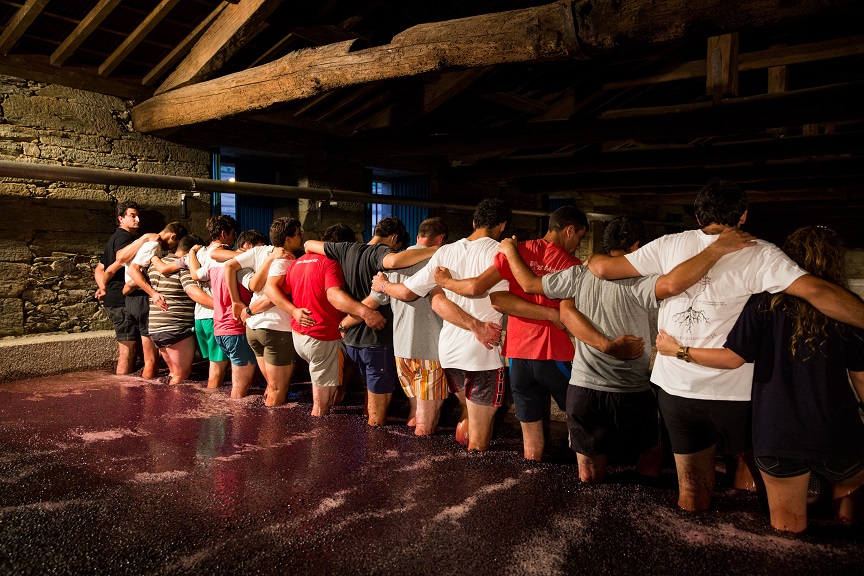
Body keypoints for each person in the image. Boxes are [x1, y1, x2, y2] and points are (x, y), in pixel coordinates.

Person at [588, 178, 864, 511]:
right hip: (736, 394)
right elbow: (817, 292)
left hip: (677, 390)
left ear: (697, 214)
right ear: (743, 216)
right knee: (764, 485)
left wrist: (586, 263)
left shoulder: (668, 245)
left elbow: (603, 268)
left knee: (691, 492)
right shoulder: (761, 253)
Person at [500, 215, 756, 482]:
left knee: (589, 476)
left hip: (584, 389)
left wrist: (510, 250)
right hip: (631, 390)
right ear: (636, 247)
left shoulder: (578, 274)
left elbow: (529, 284)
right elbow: (677, 295)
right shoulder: (646, 282)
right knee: (652, 459)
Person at [655, 226, 864, 532]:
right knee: (849, 523)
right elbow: (861, 380)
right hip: (837, 430)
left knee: (786, 533)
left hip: (777, 434)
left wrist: (679, 350)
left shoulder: (763, 304)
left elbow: (732, 357)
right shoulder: (846, 308)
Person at [431, 206, 587, 459]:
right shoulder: (571, 265)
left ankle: (532, 469)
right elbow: (571, 313)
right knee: (581, 414)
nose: (578, 244)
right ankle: (587, 473)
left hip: (517, 354)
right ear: (569, 230)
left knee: (530, 424)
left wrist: (446, 283)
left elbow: (493, 296)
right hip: (553, 352)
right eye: (579, 237)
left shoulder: (516, 251)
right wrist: (552, 315)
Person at [373, 199, 512, 451]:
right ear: (502, 226)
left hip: (449, 352)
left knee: (468, 415)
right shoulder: (501, 253)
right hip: (484, 351)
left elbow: (412, 294)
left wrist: (382, 286)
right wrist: (477, 326)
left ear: (473, 222)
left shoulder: (445, 252)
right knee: (480, 438)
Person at [304, 217, 437, 426]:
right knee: (376, 414)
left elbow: (308, 244)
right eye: (398, 246)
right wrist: (438, 250)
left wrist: (347, 322)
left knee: (369, 390)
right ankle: (374, 447)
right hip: (376, 338)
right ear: (394, 238)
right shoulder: (381, 254)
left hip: (352, 341)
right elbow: (392, 265)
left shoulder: (346, 249)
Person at [265, 223, 378, 416]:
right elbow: (334, 295)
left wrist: (294, 312)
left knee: (324, 383)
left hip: (299, 335)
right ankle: (318, 442)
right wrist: (365, 311)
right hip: (321, 336)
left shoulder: (298, 262)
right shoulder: (330, 263)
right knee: (321, 405)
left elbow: (273, 291)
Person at [223, 217, 310, 406]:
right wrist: (294, 311)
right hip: (275, 329)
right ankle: (273, 432)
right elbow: (271, 295)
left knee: (271, 386)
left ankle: (259, 431)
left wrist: (237, 302)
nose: (302, 237)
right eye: (298, 234)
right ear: (287, 239)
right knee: (278, 391)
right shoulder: (285, 260)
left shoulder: (260, 251)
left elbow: (229, 266)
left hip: (254, 329)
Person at [380, 217, 450, 436]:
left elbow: (377, 298)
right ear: (440, 239)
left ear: (419, 235)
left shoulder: (396, 260)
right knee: (426, 424)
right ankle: (423, 468)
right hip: (430, 348)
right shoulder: (438, 261)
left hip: (401, 349)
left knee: (415, 414)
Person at [190, 229, 268, 400]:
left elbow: (195, 274)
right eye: (259, 249)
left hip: (220, 329)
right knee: (239, 393)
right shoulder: (243, 266)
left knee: (220, 384)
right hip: (237, 330)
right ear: (247, 246)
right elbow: (256, 286)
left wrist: (191, 254)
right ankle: (235, 425)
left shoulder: (214, 264)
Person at [116, 221, 188, 379]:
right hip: (142, 298)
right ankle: (148, 400)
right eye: (175, 243)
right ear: (173, 236)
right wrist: (153, 293)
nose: (174, 248)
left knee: (148, 358)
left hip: (133, 300)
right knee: (151, 361)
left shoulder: (145, 242)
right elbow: (135, 270)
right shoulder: (154, 245)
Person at [146, 235, 212, 385]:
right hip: (175, 327)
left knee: (173, 373)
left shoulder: (156, 264)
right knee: (181, 375)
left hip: (156, 328)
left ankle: (161, 404)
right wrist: (221, 307)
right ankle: (174, 407)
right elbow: (192, 291)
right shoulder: (184, 266)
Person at [94, 201, 150, 375]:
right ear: (121, 218)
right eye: (132, 216)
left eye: (138, 215)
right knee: (127, 352)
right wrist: (144, 238)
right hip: (121, 300)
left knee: (133, 350)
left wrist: (103, 287)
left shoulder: (115, 238)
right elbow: (120, 258)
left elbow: (99, 268)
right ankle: (124, 391)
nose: (137, 219)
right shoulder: (124, 238)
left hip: (115, 298)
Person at [188, 214, 237, 389]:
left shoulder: (199, 252)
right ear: (224, 233)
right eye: (233, 234)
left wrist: (191, 252)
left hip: (200, 317)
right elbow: (198, 276)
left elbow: (194, 274)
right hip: (215, 317)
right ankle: (214, 415)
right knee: (217, 371)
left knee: (213, 365)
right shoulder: (220, 254)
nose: (234, 238)